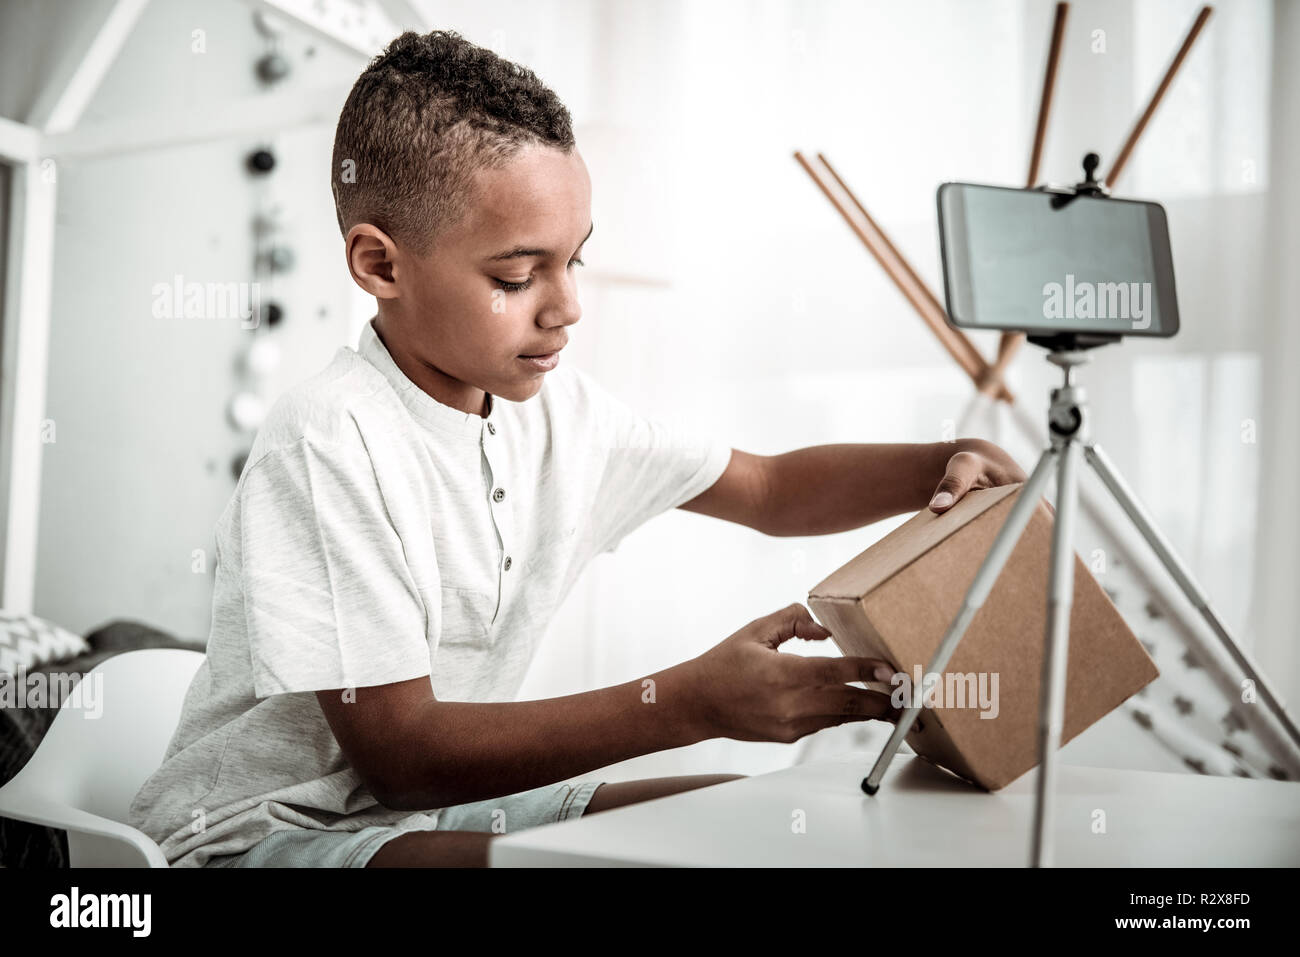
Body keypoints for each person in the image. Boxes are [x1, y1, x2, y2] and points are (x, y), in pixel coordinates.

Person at [129, 29, 1025, 868]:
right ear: (380, 265)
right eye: (516, 277)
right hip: (265, 834)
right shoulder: (331, 436)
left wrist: (942, 459)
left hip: (426, 814)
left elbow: (769, 488)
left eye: (575, 261)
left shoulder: (561, 417)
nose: (565, 307)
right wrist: (692, 702)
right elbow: (401, 755)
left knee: (747, 827)